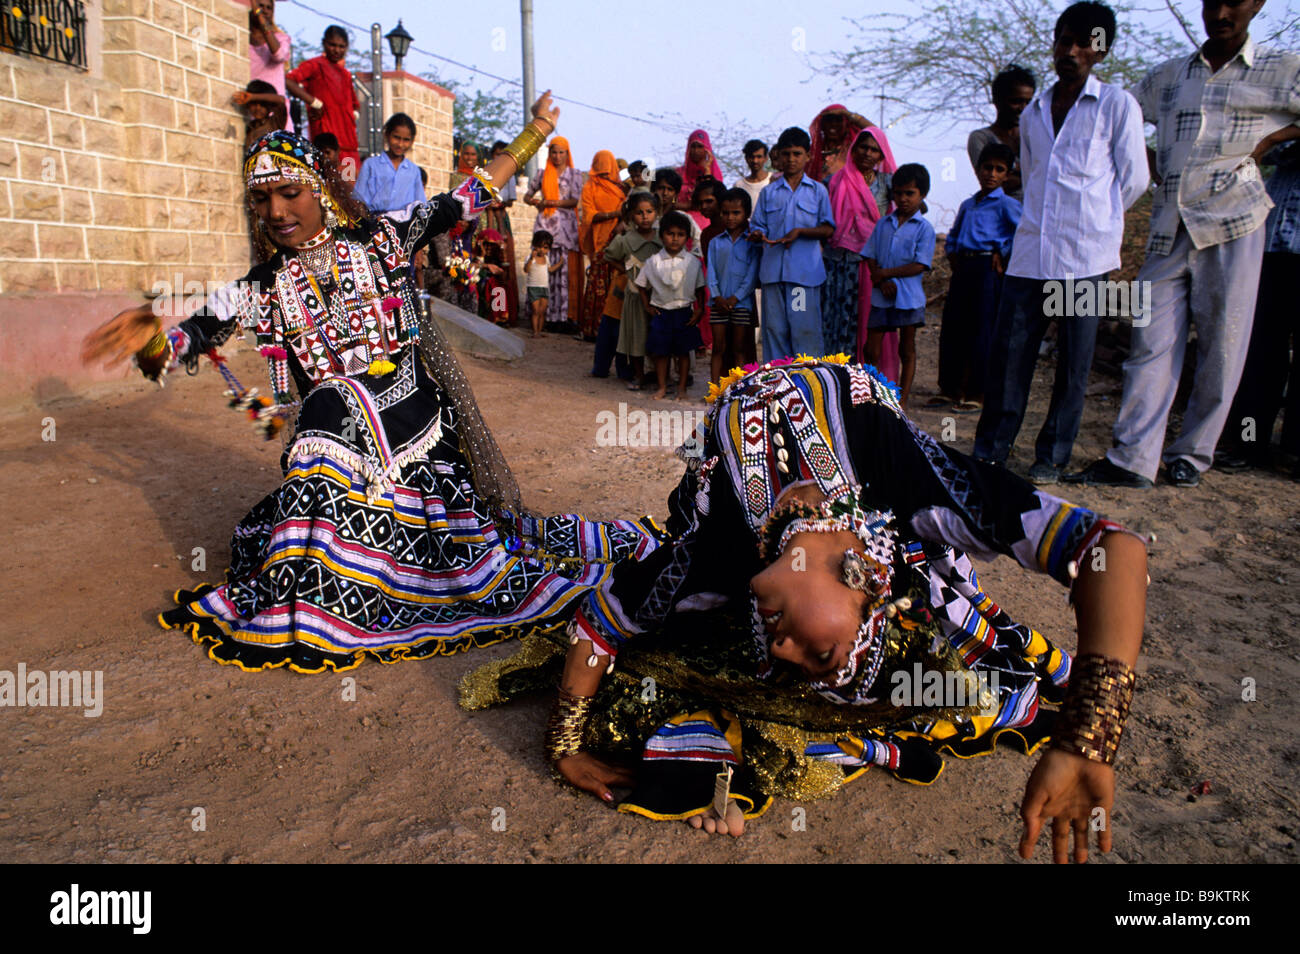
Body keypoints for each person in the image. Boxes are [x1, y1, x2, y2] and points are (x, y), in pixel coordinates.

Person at [462, 353, 1147, 859]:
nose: (786, 651)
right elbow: (1111, 548)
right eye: (825, 650)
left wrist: (564, 746)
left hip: (725, 442)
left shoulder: (717, 553)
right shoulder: (913, 482)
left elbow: (602, 621)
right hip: (845, 381)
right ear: (866, 578)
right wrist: (1092, 733)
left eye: (798, 661)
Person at [79, 96, 660, 672]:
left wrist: (536, 130)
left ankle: (347, 581)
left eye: (289, 192)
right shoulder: (261, 285)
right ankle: (322, 593)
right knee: (329, 405)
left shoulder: (382, 237)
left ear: (320, 190)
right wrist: (154, 342)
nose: (277, 211)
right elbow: (191, 338)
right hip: (339, 441)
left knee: (338, 413)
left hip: (418, 427)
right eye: (261, 199)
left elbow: (471, 193)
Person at [1067, 0, 1300, 490]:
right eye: (1212, 1)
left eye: (1235, 1)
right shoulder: (1168, 76)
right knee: (1149, 342)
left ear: (1255, 5)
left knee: (1223, 343)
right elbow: (1118, 121)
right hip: (1169, 224)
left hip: (1234, 222)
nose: (1222, 10)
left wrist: (1272, 141)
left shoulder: (1281, 69)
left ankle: (1192, 454)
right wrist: (1147, 165)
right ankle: (1132, 458)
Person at [974, 1, 1148, 486]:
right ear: (1054, 43)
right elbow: (1030, 178)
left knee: (1073, 363)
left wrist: (1095, 225)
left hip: (1085, 257)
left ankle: (1051, 456)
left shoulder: (1117, 105)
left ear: (1101, 50)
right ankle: (990, 451)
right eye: (1064, 39)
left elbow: (1133, 181)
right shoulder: (1033, 113)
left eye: (1084, 42)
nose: (1071, 50)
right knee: (1010, 357)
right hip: (1031, 253)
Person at [1217, 141, 1300, 476]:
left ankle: (1294, 453)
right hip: (1271, 248)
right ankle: (1249, 444)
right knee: (1260, 356)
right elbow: (1260, 150)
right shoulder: (1285, 105)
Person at [930, 143, 1021, 414]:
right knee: (953, 328)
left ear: (1007, 175)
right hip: (964, 267)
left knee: (982, 330)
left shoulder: (1007, 204)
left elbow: (1022, 233)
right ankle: (949, 389)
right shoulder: (968, 204)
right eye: (987, 168)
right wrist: (952, 252)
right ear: (978, 169)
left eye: (999, 170)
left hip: (987, 269)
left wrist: (1001, 252)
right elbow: (955, 233)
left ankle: (977, 392)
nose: (991, 174)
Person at [749, 126, 836, 361]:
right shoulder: (769, 192)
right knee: (775, 331)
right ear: (778, 156)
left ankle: (808, 388)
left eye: (797, 153)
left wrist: (800, 232)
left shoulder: (818, 191)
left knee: (802, 330)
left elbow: (828, 228)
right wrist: (758, 234)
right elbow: (757, 225)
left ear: (807, 156)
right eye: (786, 153)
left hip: (801, 277)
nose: (791, 159)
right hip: (773, 275)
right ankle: (778, 390)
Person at [863, 164, 936, 409]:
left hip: (908, 297)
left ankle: (902, 399)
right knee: (870, 348)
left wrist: (888, 274)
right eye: (899, 193)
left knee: (907, 348)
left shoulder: (924, 229)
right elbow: (869, 254)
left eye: (910, 193)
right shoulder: (883, 224)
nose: (903, 199)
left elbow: (920, 264)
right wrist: (880, 278)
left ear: (922, 194)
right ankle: (871, 394)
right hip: (881, 294)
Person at [824, 126, 897, 359]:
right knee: (837, 320)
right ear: (854, 149)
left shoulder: (888, 183)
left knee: (868, 323)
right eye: (863, 147)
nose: (867, 153)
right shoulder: (834, 181)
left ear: (882, 156)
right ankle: (837, 377)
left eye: (874, 150)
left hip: (871, 264)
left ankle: (866, 382)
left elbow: (913, 206)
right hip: (838, 263)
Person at [635, 210, 705, 401]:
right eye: (670, 234)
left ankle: (681, 388)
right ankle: (662, 386)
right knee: (661, 353)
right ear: (662, 235)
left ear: (687, 237)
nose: (675, 239)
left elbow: (700, 288)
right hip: (661, 313)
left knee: (683, 353)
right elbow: (641, 285)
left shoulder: (693, 262)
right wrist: (647, 306)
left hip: (684, 312)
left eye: (680, 235)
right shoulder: (653, 262)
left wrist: (699, 309)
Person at [524, 137, 583, 332]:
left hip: (566, 228)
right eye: (554, 152)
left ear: (568, 154)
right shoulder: (542, 173)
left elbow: (575, 201)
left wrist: (552, 203)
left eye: (561, 152)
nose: (557, 156)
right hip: (545, 228)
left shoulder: (575, 174)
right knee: (542, 272)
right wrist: (536, 202)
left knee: (564, 273)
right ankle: (543, 317)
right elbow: (527, 196)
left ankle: (564, 317)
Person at [286, 25, 360, 181]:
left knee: (349, 188)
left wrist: (352, 115)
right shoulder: (315, 65)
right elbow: (289, 81)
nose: (336, 50)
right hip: (326, 140)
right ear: (324, 43)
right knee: (325, 184)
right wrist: (313, 102)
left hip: (348, 144)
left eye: (341, 46)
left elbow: (354, 103)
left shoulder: (345, 74)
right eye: (332, 45)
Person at [607, 192, 663, 391]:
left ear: (657, 213)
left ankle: (660, 376)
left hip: (658, 297)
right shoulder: (625, 240)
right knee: (637, 338)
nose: (645, 216)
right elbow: (609, 256)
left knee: (659, 337)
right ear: (631, 215)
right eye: (639, 213)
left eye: (649, 211)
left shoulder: (662, 238)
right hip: (634, 297)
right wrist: (626, 269)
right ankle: (638, 376)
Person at [706, 188, 761, 386]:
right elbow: (710, 272)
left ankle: (740, 388)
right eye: (726, 213)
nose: (730, 217)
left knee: (739, 348)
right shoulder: (715, 243)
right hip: (718, 302)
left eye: (736, 213)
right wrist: (717, 296)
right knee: (718, 347)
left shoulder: (752, 243)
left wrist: (735, 298)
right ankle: (715, 390)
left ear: (746, 214)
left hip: (742, 303)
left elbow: (752, 276)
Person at [967, 65, 1036, 201]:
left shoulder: (1036, 135)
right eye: (1016, 101)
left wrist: (1016, 170)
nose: (1023, 108)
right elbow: (994, 184)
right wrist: (1032, 170)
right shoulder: (981, 138)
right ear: (997, 100)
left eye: (1028, 102)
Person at [578, 150, 628, 341]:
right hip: (599, 241)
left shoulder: (621, 189)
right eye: (602, 170)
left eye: (608, 171)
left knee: (616, 282)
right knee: (597, 284)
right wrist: (614, 215)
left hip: (619, 240)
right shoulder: (590, 187)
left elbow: (628, 212)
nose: (605, 175)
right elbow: (590, 215)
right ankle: (593, 329)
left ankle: (615, 332)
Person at [353, 113, 424, 216]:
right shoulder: (370, 165)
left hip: (405, 226)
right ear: (387, 134)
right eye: (396, 137)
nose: (400, 144)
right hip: (376, 223)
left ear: (412, 141)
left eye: (406, 140)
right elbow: (358, 199)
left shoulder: (414, 171)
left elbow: (420, 204)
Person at [484, 140, 520, 326]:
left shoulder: (510, 173)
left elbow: (511, 200)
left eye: (502, 154)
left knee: (505, 261)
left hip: (501, 217)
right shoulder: (486, 171)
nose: (499, 158)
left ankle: (508, 311)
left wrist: (499, 204)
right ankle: (491, 311)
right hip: (487, 216)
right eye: (496, 155)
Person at [247, 0, 292, 133]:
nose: (265, 10)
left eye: (269, 8)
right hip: (252, 111)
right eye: (260, 6)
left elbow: (278, 54)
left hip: (276, 115)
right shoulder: (241, 36)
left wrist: (260, 18)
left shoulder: (281, 38)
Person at [808, 104, 871, 183]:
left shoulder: (853, 150)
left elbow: (876, 133)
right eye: (829, 120)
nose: (833, 124)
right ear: (822, 125)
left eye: (838, 120)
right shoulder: (813, 153)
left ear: (847, 124)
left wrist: (847, 114)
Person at [232, 80, 287, 150]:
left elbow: (281, 100)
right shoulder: (250, 127)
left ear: (271, 107)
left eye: (263, 104)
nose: (258, 108)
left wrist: (252, 97)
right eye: (254, 103)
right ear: (248, 105)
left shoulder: (275, 123)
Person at [677, 129, 725, 207]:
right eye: (693, 146)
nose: (696, 151)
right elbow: (672, 200)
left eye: (700, 147)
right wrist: (679, 205)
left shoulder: (715, 175)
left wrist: (707, 171)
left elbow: (712, 199)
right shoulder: (679, 173)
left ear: (707, 149)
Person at [525, 229, 557, 338]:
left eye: (545, 248)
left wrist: (561, 263)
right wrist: (531, 258)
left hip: (544, 288)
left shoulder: (546, 258)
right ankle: (535, 332)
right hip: (533, 288)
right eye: (539, 247)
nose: (542, 250)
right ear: (534, 245)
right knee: (535, 311)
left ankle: (539, 330)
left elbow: (550, 269)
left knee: (542, 311)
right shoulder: (531, 258)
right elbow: (526, 270)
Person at [733, 139, 774, 211]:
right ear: (746, 158)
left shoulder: (774, 180)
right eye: (752, 157)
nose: (755, 161)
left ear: (766, 158)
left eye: (759, 157)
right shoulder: (739, 185)